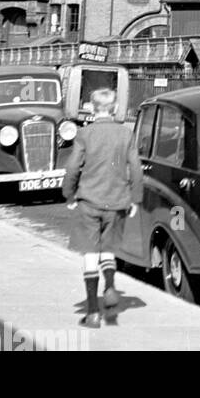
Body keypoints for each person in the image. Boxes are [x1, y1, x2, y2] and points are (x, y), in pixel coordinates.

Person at [62, 87, 142, 328]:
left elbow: (73, 168)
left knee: (90, 254)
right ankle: (109, 286)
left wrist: (69, 195)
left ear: (91, 108)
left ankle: (93, 313)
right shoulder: (125, 134)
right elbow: (136, 168)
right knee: (108, 250)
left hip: (89, 201)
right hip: (116, 201)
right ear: (116, 108)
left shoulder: (84, 134)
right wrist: (135, 198)